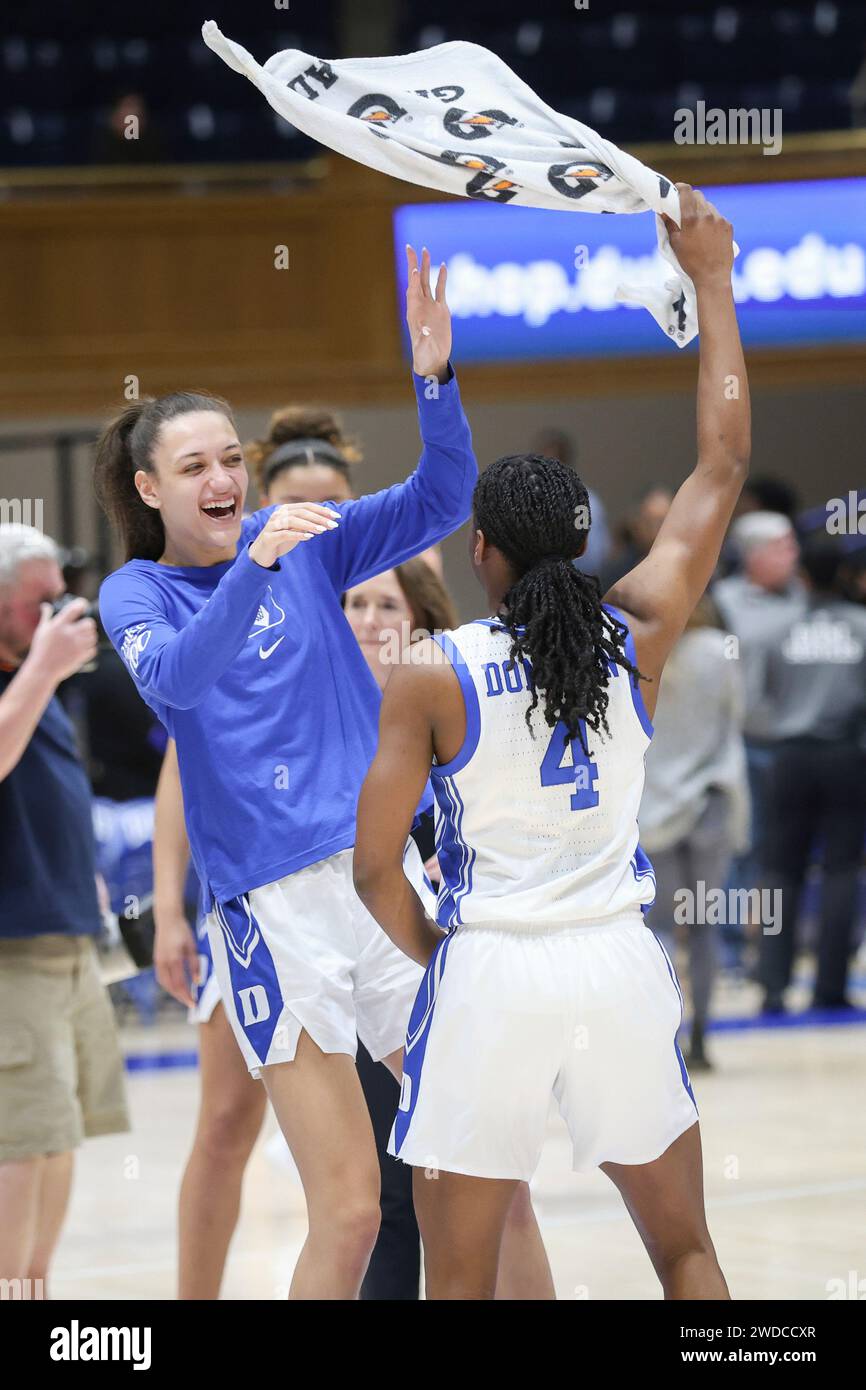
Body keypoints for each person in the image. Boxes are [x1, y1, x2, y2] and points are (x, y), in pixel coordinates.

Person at [96, 246, 541, 1300]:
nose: (220, 479)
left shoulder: (306, 538)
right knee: (344, 1207)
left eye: (226, 459)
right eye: (193, 465)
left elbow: (441, 495)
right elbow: (180, 687)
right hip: (270, 911)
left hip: (382, 880)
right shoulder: (139, 593)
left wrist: (435, 380)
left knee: (482, 1159)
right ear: (152, 485)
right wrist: (251, 570)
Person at [353, 186, 748, 1300]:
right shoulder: (642, 630)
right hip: (616, 961)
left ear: (479, 551)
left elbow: (373, 866)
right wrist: (711, 286)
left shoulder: (429, 675)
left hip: (494, 969)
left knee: (461, 1283)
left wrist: (444, 956)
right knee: (683, 1251)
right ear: (583, 537)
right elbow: (720, 462)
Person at [0, 524, 130, 1294]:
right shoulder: (28, 679)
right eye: (36, 603)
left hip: (68, 937)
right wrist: (42, 670)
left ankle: (34, 1285)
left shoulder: (36, 679)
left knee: (61, 1133)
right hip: (12, 950)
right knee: (21, 1135)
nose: (56, 615)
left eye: (60, 597)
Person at [756, 536, 866, 1012]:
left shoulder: (780, 631)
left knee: (780, 871)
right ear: (845, 576)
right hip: (845, 755)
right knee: (841, 870)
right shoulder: (861, 628)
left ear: (802, 577)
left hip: (789, 758)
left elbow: (769, 695)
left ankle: (774, 986)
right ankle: (829, 989)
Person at [640, 597, 749, 1070]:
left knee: (658, 929)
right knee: (703, 929)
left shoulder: (639, 648)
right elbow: (737, 717)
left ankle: (666, 1038)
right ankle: (702, 1039)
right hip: (711, 799)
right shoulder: (718, 649)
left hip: (652, 802)